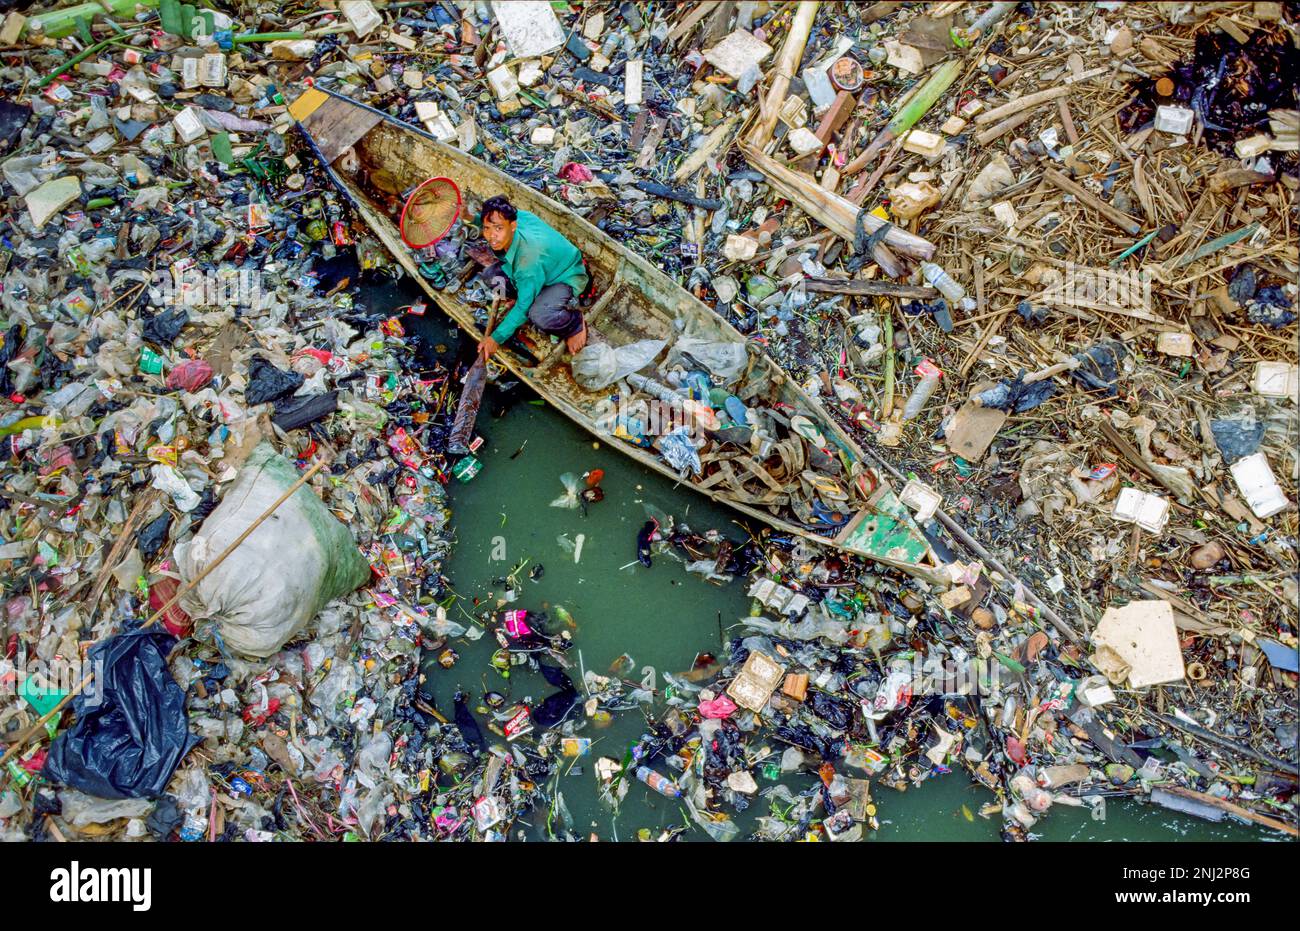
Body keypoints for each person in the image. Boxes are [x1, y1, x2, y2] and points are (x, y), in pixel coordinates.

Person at [472, 195, 590, 360]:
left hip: (564, 276)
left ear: (512, 225)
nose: (492, 236)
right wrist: (471, 218)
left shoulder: (527, 262)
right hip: (539, 271)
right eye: (486, 228)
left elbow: (524, 305)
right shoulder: (515, 216)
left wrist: (495, 338)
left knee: (538, 315)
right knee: (490, 277)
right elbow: (492, 224)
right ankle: (525, 295)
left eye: (498, 229)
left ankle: (575, 324)